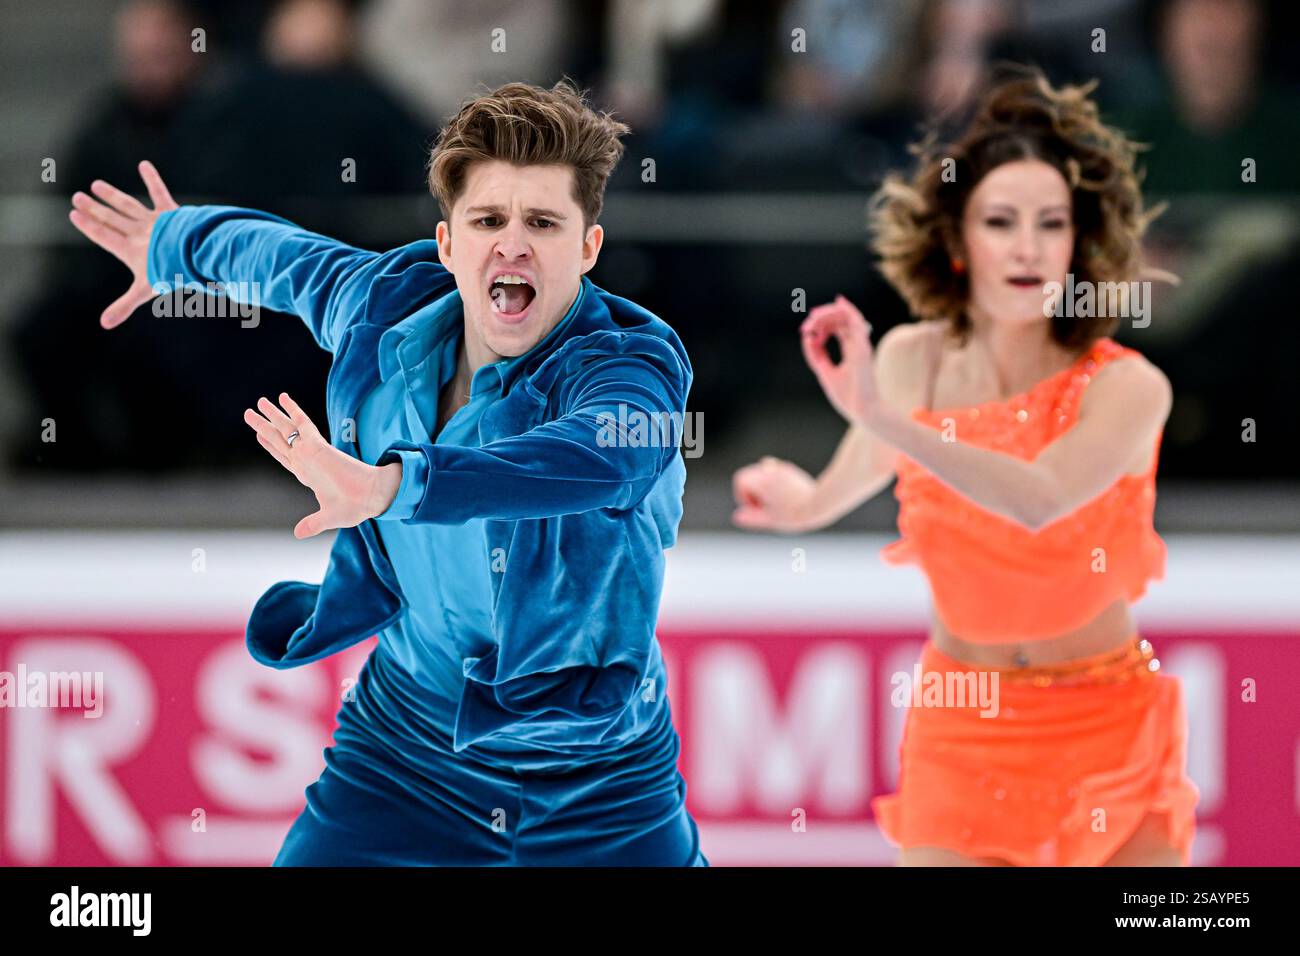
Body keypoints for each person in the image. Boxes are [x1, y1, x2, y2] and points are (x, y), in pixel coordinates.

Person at [67, 80, 706, 866]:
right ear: (446, 246)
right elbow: (282, 263)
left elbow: (605, 457)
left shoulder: (628, 368)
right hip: (404, 748)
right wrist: (173, 246)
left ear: (587, 248)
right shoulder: (386, 313)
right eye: (487, 221)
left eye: (543, 222)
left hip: (595, 781)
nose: (513, 244)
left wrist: (397, 486)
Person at [732, 68, 1198, 866]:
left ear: (1077, 242)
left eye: (1050, 223)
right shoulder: (913, 365)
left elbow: (1041, 499)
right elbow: (846, 482)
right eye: (1001, 221)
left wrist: (885, 419)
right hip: (962, 721)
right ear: (956, 240)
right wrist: (795, 502)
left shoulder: (1126, 386)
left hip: (1107, 723)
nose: (1026, 246)